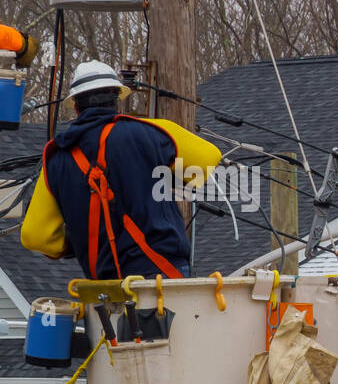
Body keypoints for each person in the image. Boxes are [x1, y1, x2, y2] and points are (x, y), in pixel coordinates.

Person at [20, 61, 221, 279]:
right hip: (161, 278)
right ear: (116, 101)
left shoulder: (55, 157)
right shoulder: (150, 132)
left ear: (76, 107)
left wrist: (74, 240)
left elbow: (35, 235)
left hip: (104, 289)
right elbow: (208, 157)